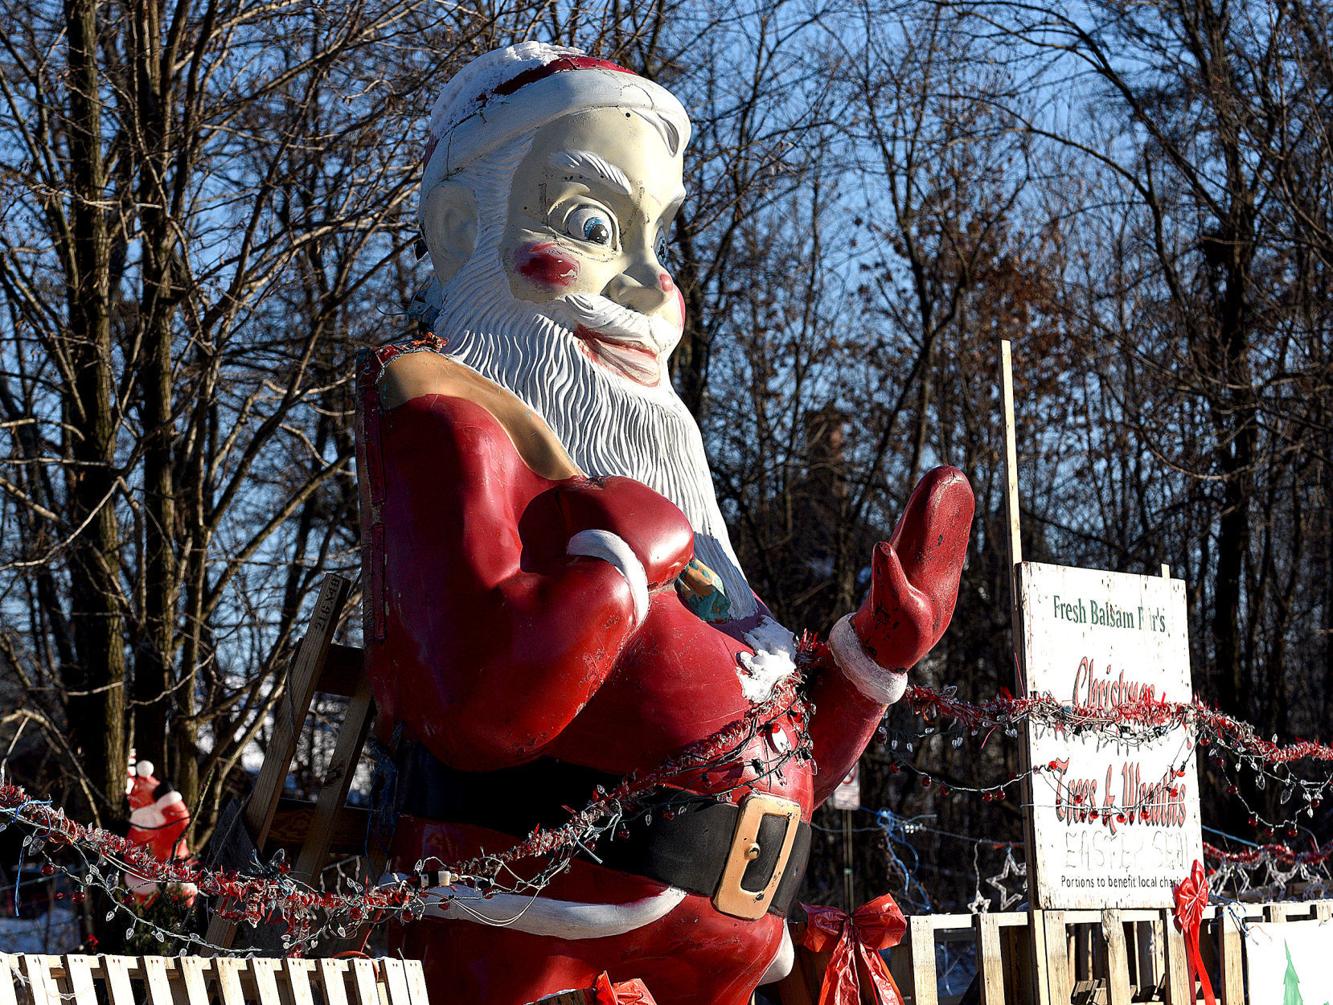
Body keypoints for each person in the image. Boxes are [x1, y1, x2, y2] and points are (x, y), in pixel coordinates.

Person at [356, 41, 974, 1005]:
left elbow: (763, 746)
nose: (652, 287)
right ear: (460, 226)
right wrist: (610, 565)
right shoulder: (450, 426)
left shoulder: (668, 494)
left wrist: (869, 665)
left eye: (660, 238)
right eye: (592, 223)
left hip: (719, 946)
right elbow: (474, 700)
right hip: (541, 931)